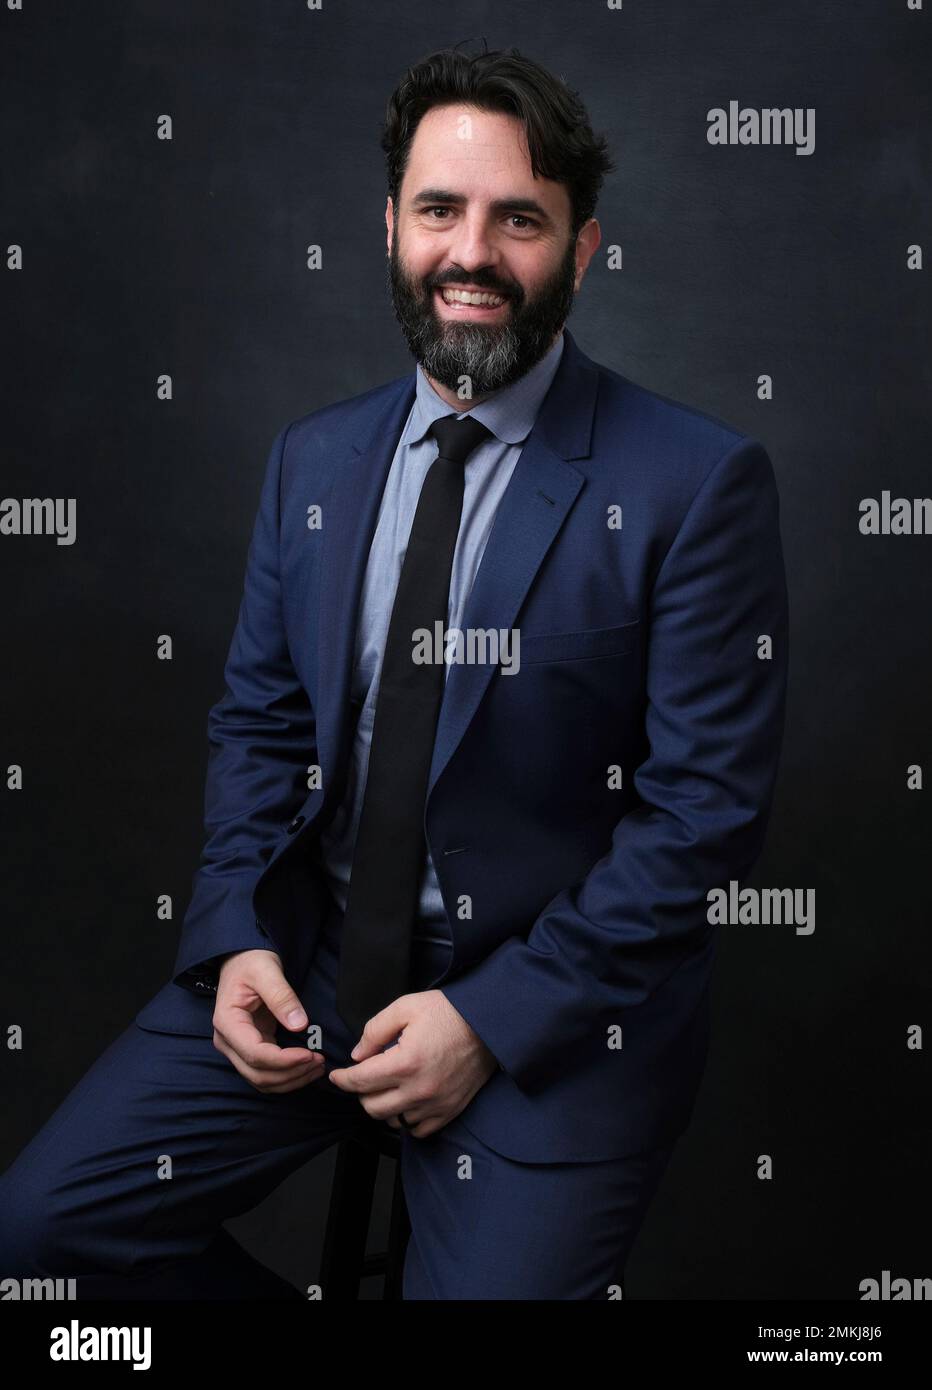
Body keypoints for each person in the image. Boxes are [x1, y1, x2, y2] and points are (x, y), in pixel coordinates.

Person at [0, 43, 788, 1300]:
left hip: (556, 1012)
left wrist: (489, 1021)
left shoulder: (693, 484)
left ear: (582, 248)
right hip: (308, 965)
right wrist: (230, 937)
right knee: (36, 1250)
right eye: (438, 210)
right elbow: (258, 725)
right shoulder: (311, 462)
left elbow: (702, 818)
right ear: (388, 225)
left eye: (517, 218)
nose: (469, 254)